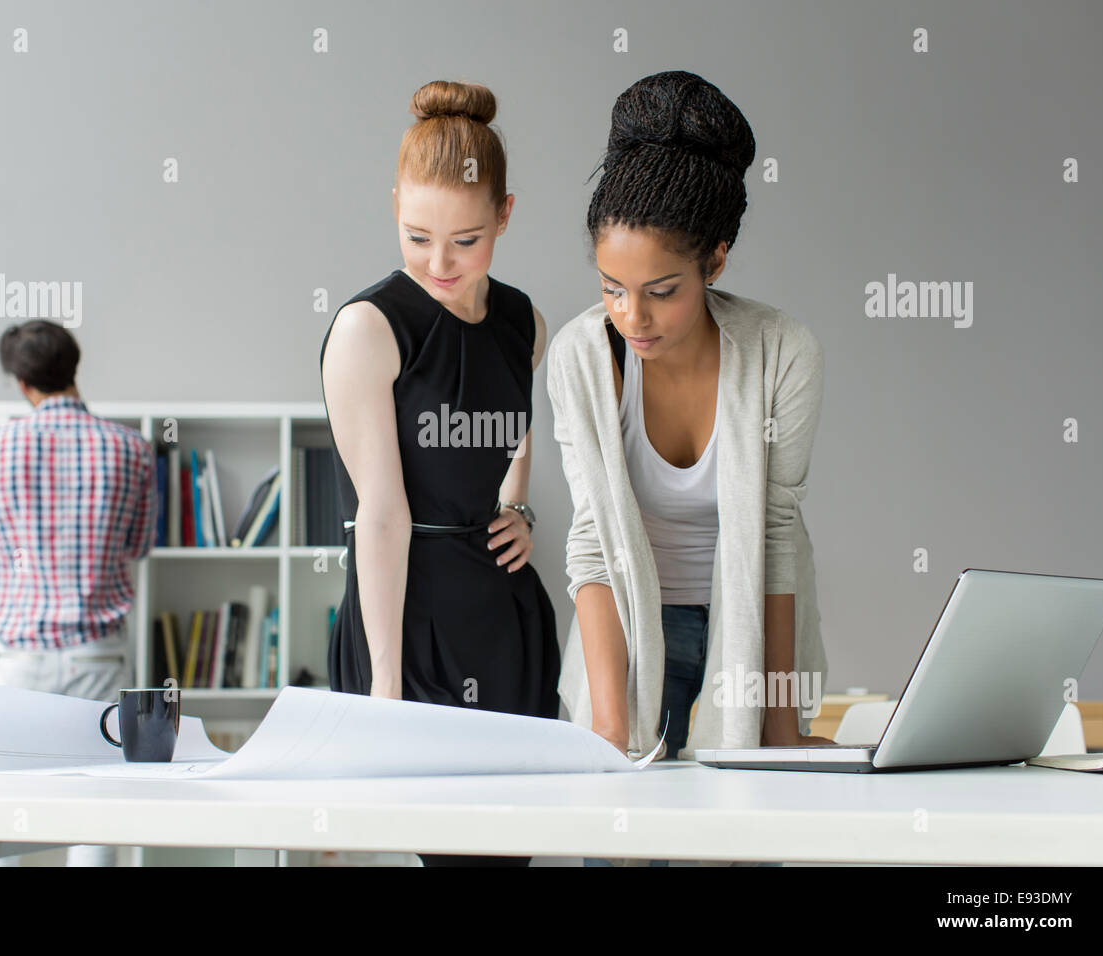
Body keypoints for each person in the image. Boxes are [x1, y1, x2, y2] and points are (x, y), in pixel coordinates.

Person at [546, 71, 834, 866]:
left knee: (741, 840)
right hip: (629, 633)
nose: (632, 317)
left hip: (746, 623)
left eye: (661, 292)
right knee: (623, 846)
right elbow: (592, 546)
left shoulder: (783, 353)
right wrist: (610, 729)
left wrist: (776, 723)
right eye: (612, 289)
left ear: (716, 260)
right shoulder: (578, 356)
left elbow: (775, 536)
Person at [320, 80, 560, 867]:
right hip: (408, 615)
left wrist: (518, 508)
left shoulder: (525, 322)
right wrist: (385, 685)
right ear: (394, 204)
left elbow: (516, 435)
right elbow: (381, 515)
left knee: (510, 853)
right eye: (417, 235)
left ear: (505, 214)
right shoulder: (370, 329)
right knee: (446, 847)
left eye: (466, 239)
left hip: (506, 616)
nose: (440, 262)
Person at [0, 319, 156, 867]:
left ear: (22, 383)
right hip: (98, 652)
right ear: (74, 368)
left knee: (5, 804)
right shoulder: (131, 448)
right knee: (94, 804)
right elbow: (139, 545)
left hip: (18, 655)